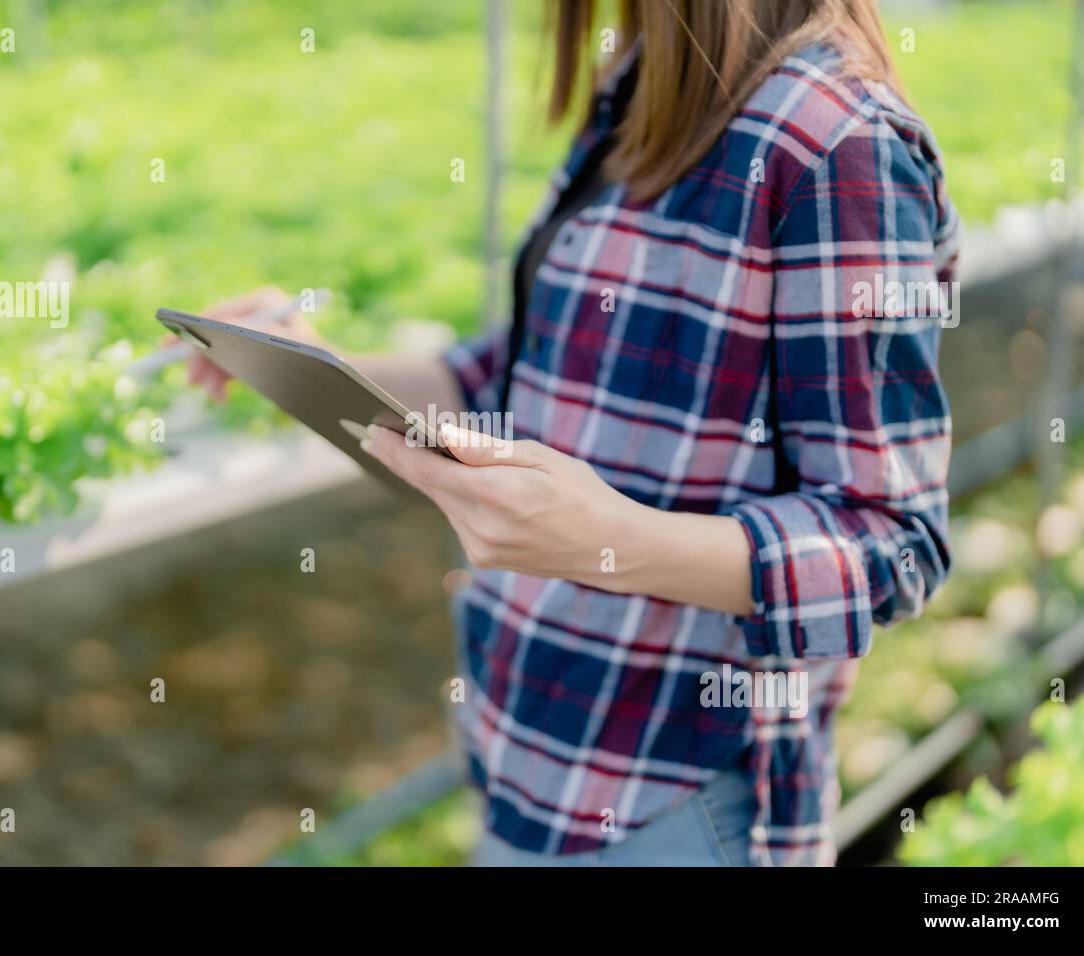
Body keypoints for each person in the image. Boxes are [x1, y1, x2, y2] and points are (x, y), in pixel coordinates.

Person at [182, 0, 959, 866]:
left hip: (673, 805)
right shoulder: (642, 84)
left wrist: (614, 543)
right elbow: (515, 384)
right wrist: (311, 366)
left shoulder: (835, 143)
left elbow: (892, 543)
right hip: (529, 765)